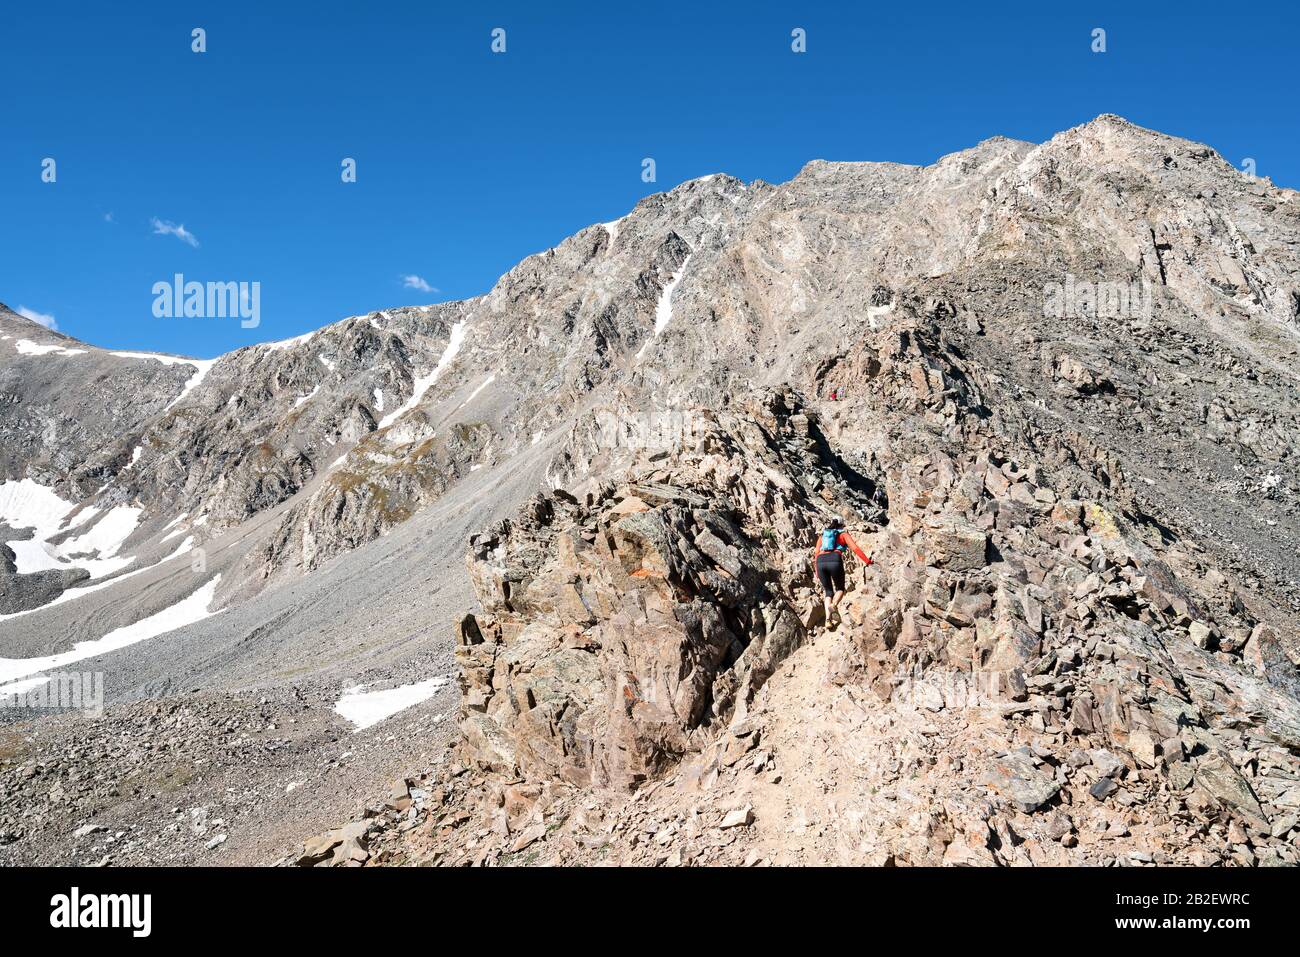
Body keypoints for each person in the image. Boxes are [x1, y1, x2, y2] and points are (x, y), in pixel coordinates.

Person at [812, 515, 872, 627]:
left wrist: (816, 570)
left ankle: (828, 620)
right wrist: (867, 561)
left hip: (820, 561)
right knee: (840, 588)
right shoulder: (843, 534)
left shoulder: (823, 535)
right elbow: (855, 548)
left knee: (828, 592)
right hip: (834, 559)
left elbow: (816, 552)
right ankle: (834, 605)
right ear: (842, 524)